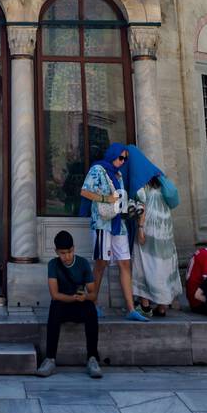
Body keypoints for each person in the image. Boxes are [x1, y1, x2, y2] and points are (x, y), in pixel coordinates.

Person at [80, 143, 149, 320]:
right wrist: (106, 198)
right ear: (112, 155)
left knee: (125, 263)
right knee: (101, 263)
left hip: (119, 224)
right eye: (121, 157)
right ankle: (92, 304)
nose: (123, 161)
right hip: (103, 224)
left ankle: (131, 309)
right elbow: (85, 191)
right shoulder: (98, 169)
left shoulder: (118, 174)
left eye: (125, 158)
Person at [36, 230, 102, 378]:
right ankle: (50, 359)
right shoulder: (53, 264)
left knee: (91, 310)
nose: (66, 257)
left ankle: (92, 358)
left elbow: (93, 294)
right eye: (62, 253)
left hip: (80, 304)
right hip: (64, 304)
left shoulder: (83, 263)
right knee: (54, 308)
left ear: (74, 248)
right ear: (56, 252)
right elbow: (55, 294)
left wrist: (85, 297)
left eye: (69, 252)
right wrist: (73, 298)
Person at [130, 173, 182, 316]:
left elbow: (141, 210)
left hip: (149, 232)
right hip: (165, 234)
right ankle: (162, 306)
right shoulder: (164, 189)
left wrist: (140, 229)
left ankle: (145, 307)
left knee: (144, 265)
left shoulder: (143, 188)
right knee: (163, 267)